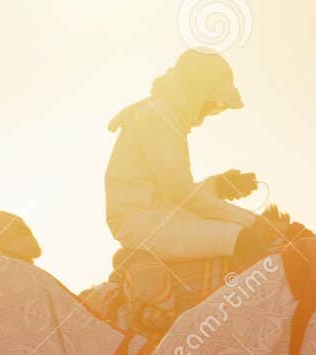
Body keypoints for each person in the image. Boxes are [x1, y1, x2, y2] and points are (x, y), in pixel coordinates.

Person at [105, 49, 261, 261]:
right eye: (213, 102)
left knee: (245, 231)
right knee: (249, 241)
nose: (211, 111)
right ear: (198, 90)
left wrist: (218, 185)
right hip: (145, 223)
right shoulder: (160, 118)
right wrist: (252, 221)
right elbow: (180, 192)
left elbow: (172, 192)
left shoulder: (162, 114)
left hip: (156, 216)